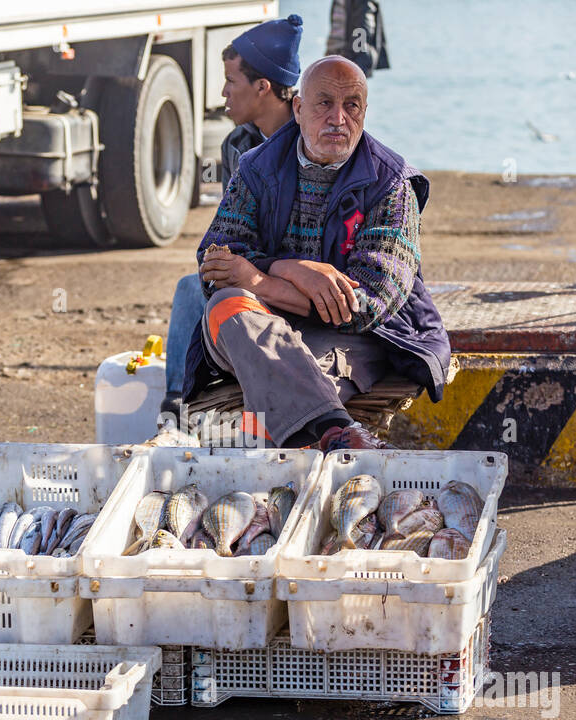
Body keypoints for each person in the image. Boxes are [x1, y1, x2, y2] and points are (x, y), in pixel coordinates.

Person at [183, 55, 449, 451]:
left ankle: (301, 457)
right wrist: (292, 268)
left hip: (361, 337)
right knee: (224, 303)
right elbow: (215, 266)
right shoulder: (256, 168)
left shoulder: (392, 184)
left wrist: (256, 279)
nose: (338, 118)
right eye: (324, 103)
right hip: (255, 324)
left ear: (364, 112)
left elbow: (365, 306)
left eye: (351, 105)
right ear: (298, 108)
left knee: (289, 380)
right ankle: (342, 434)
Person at [163, 14, 303, 411]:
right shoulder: (236, 145)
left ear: (263, 87)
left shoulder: (308, 143)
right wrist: (222, 262)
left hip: (295, 280)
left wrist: (259, 271)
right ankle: (176, 407)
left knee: (199, 289)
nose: (222, 93)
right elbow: (231, 229)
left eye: (230, 81)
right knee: (192, 286)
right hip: (249, 269)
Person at [326, 0, 391, 78]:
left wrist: (349, 61)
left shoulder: (362, 2)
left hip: (350, 61)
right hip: (336, 59)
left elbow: (362, 32)